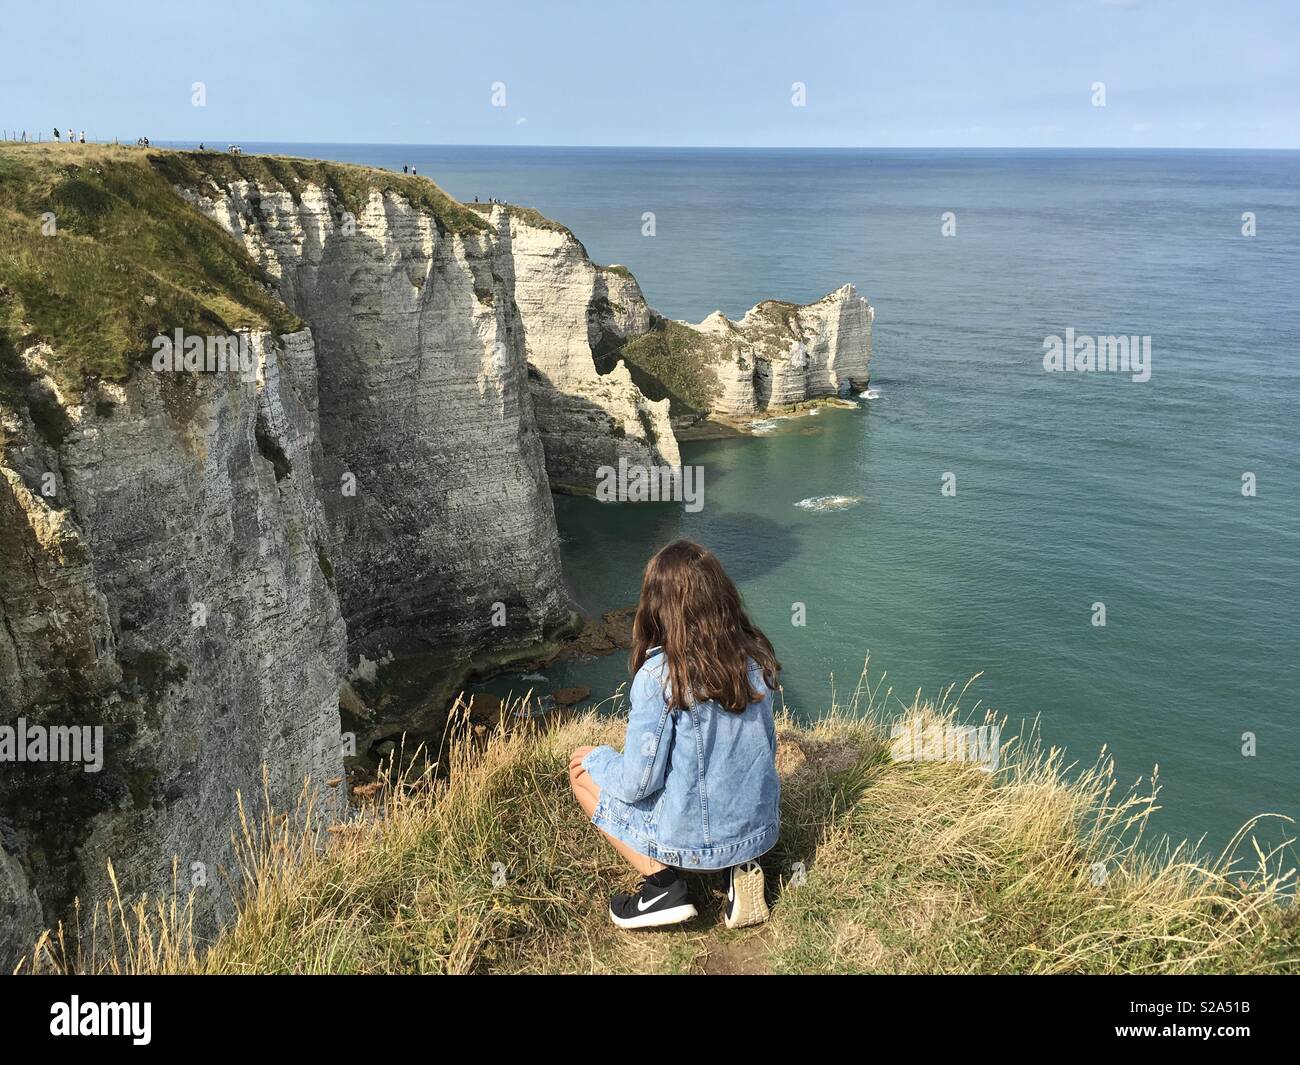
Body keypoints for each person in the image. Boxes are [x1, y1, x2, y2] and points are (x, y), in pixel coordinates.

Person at [569, 539, 781, 930]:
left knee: (582, 772)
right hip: (758, 824)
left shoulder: (661, 675)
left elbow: (637, 783)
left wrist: (598, 757)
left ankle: (663, 888)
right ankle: (738, 867)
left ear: (657, 604)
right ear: (722, 595)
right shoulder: (753, 655)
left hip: (694, 833)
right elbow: (764, 748)